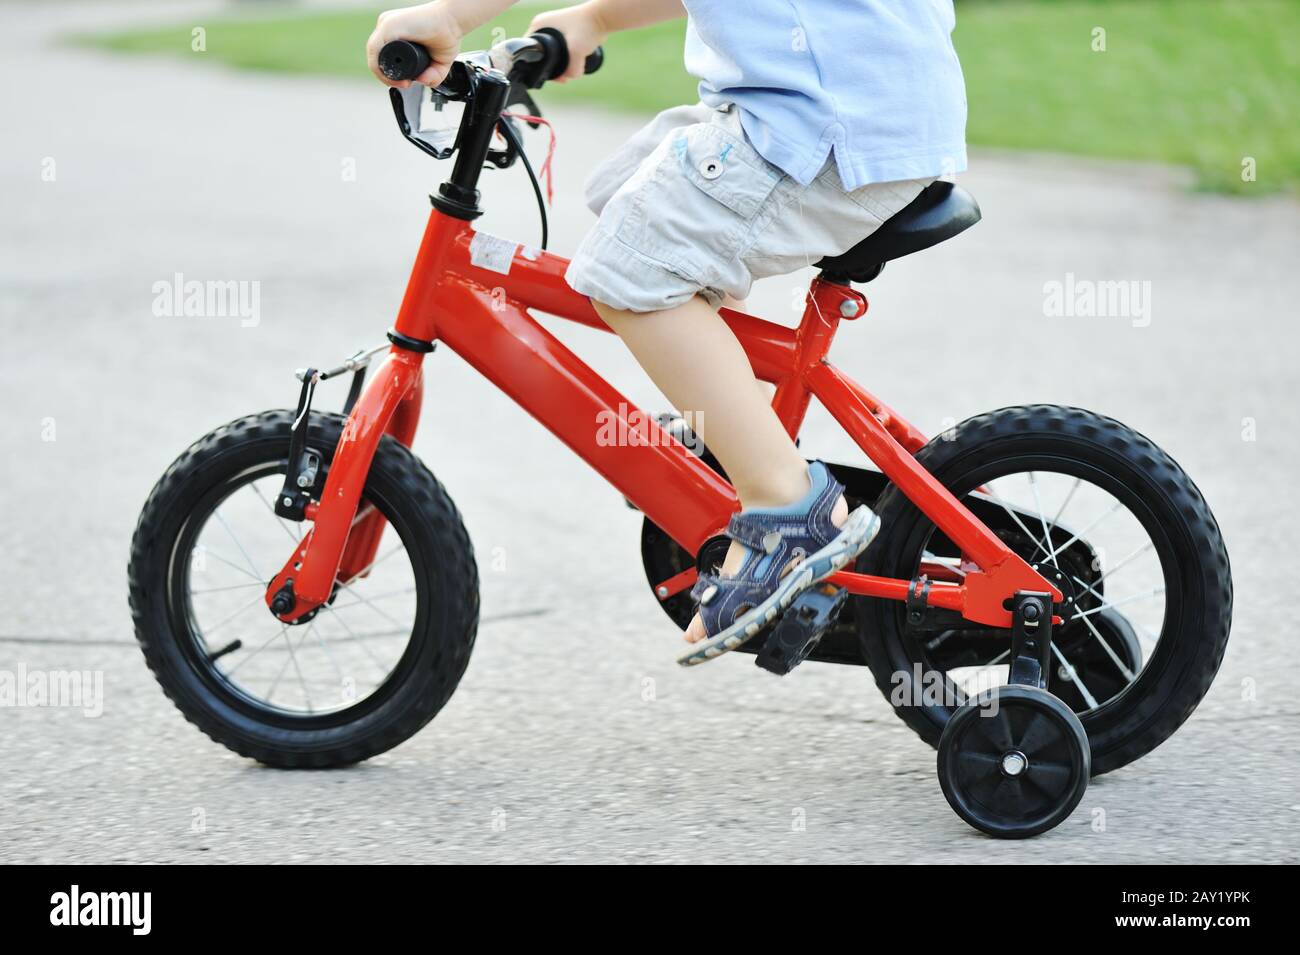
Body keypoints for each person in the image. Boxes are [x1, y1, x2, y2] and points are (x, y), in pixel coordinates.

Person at [367, 0, 967, 660]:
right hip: (861, 108)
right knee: (624, 189)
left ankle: (787, 504)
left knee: (633, 270)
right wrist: (596, 20)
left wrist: (450, 16)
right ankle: (726, 425)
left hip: (819, 123)